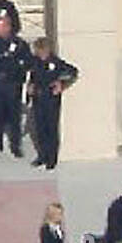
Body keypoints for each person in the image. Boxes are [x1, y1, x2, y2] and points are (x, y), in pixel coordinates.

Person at [0, 10, 34, 158]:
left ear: (8, 27)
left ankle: (16, 146)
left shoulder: (19, 44)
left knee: (14, 117)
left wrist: (15, 66)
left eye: (2, 26)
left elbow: (27, 61)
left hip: (13, 85)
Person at [26, 37, 78, 169]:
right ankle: (42, 156)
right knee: (40, 129)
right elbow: (33, 77)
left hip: (50, 100)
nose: (40, 53)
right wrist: (30, 88)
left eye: (42, 51)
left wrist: (62, 84)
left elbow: (73, 72)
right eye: (38, 51)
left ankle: (51, 159)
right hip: (38, 98)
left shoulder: (56, 63)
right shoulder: (35, 62)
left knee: (51, 129)